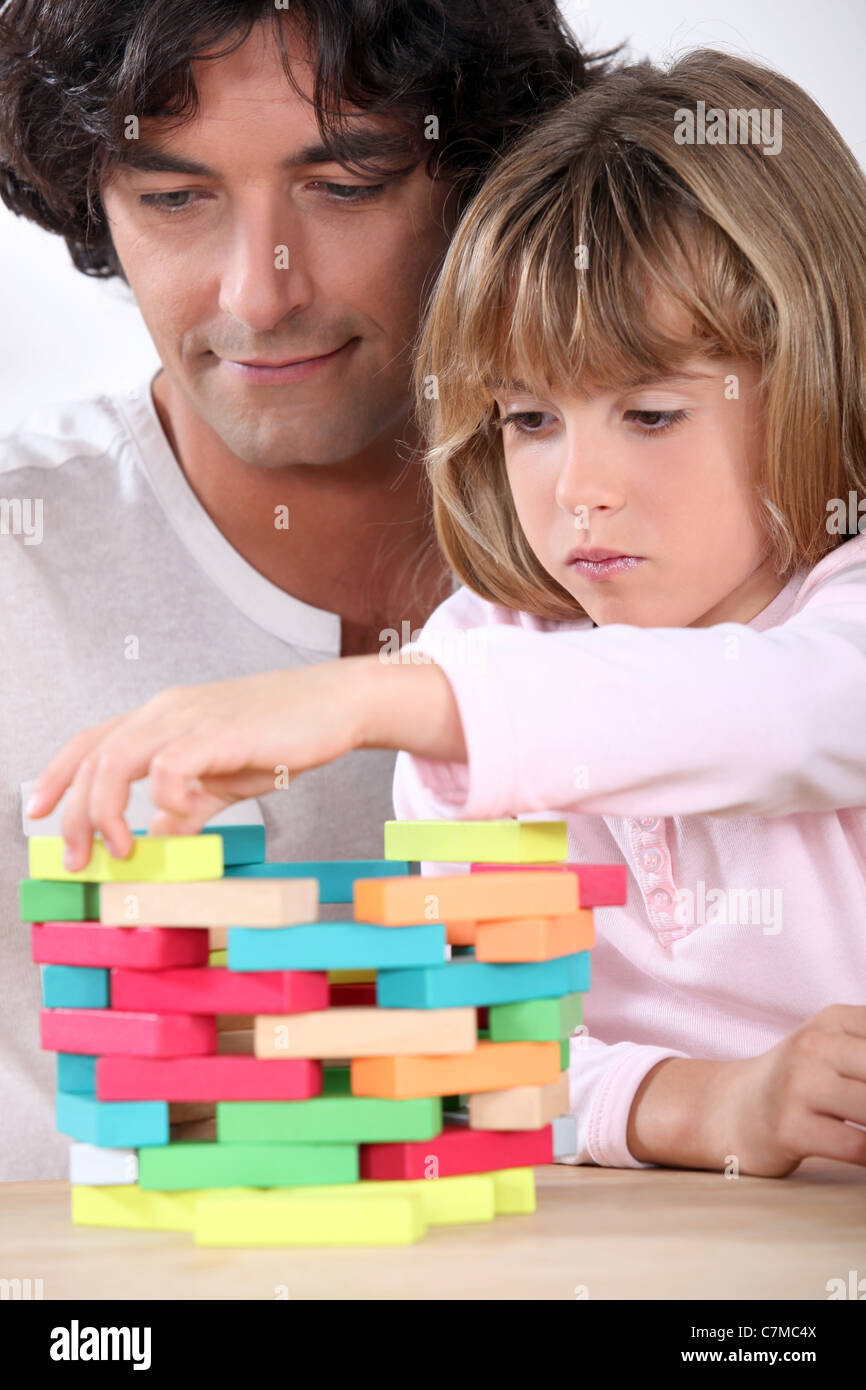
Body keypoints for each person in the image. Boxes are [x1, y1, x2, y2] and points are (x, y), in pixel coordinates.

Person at [33, 50, 866, 1178]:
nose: (579, 489)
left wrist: (379, 695)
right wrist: (711, 1105)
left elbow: (784, 717)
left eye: (653, 414)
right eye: (528, 419)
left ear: (815, 375)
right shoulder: (480, 658)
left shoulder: (824, 631)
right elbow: (479, 1052)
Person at [0, 0, 608, 1179]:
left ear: (477, 177)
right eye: (175, 198)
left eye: (345, 185)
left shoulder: (669, 532)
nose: (261, 293)